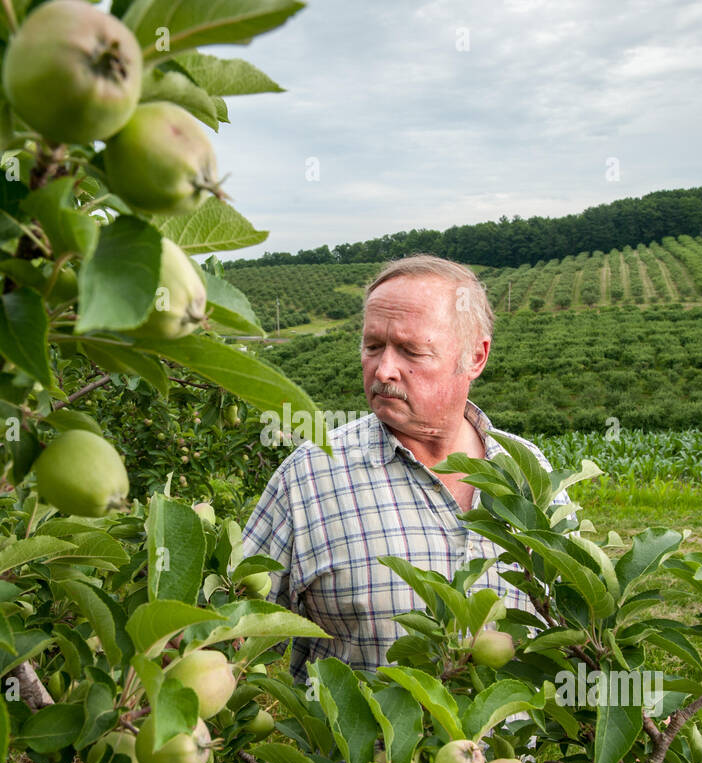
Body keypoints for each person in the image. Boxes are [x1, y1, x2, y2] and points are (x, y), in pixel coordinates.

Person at [240, 255, 572, 684]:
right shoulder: (308, 478)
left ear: (475, 357)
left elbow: (569, 629)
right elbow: (230, 624)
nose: (384, 369)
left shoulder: (529, 474)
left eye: (412, 350)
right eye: (373, 346)